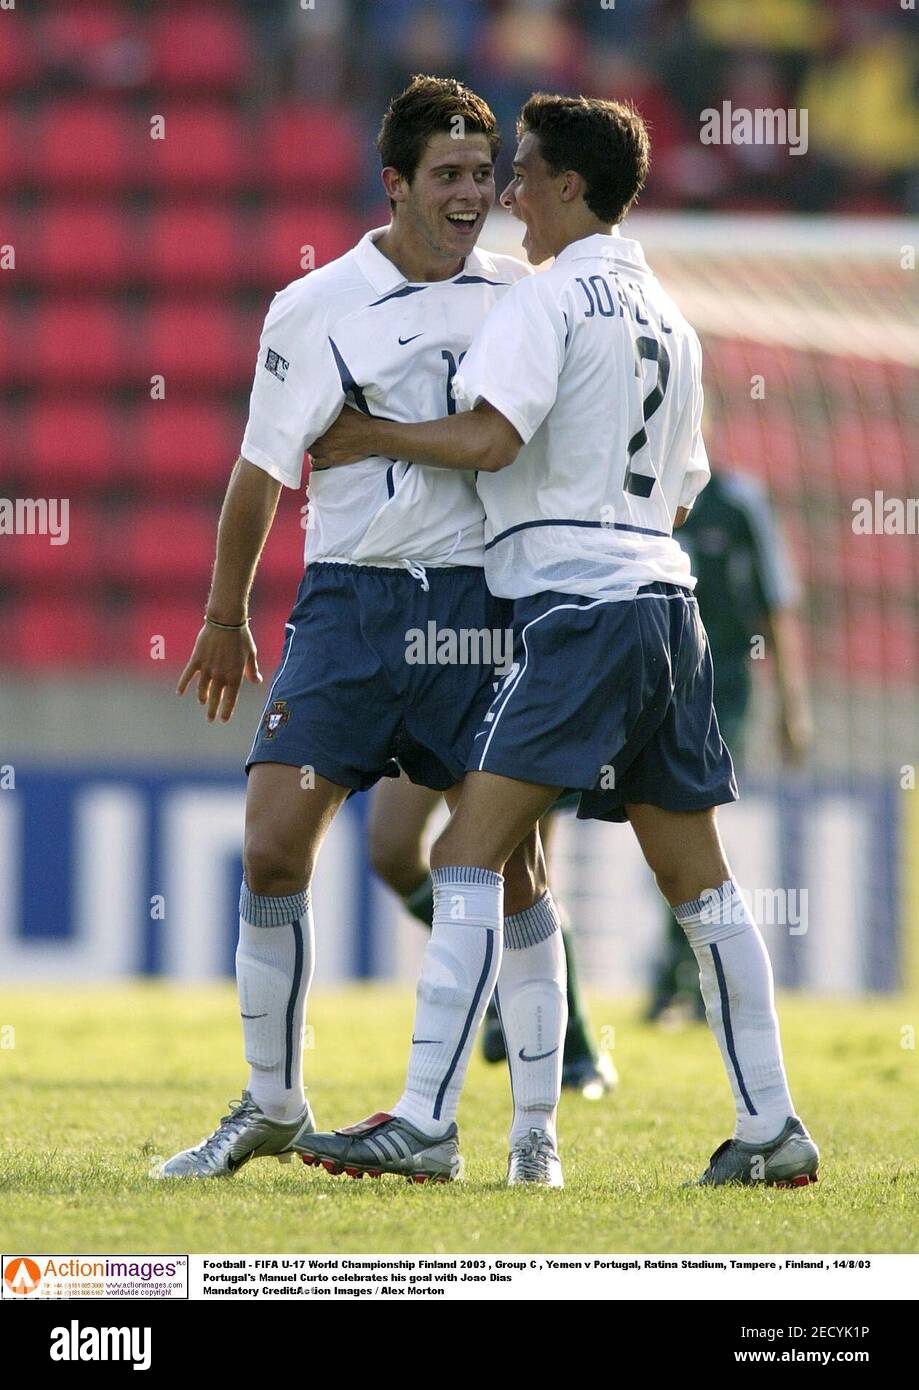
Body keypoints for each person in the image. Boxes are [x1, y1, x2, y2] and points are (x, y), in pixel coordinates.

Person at [301, 93, 819, 1188]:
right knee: (704, 890)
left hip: (577, 614)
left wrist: (365, 436)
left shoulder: (547, 299)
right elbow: (684, 494)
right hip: (664, 614)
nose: (504, 193)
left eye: (521, 171)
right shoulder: (669, 320)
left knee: (464, 854)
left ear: (569, 185)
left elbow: (490, 439)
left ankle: (427, 1123)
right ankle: (771, 1122)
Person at [156, 76, 568, 1183]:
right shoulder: (315, 304)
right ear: (394, 185)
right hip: (349, 600)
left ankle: (535, 1132)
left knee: (517, 862)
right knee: (271, 841)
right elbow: (258, 468)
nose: (473, 193)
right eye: (449, 175)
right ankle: (272, 1101)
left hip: (479, 601)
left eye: (485, 173)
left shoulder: (524, 294)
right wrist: (221, 612)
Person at [647, 462, 813, 1022]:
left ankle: (683, 978)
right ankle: (684, 973)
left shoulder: (739, 502)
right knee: (663, 823)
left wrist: (793, 704)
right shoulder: (643, 492)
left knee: (697, 817)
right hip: (652, 684)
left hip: (723, 690)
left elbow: (777, 602)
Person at [369, 774, 617, 1096]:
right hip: (431, 721)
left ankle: (574, 1051)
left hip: (516, 726)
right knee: (392, 851)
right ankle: (503, 982)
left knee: (524, 874)